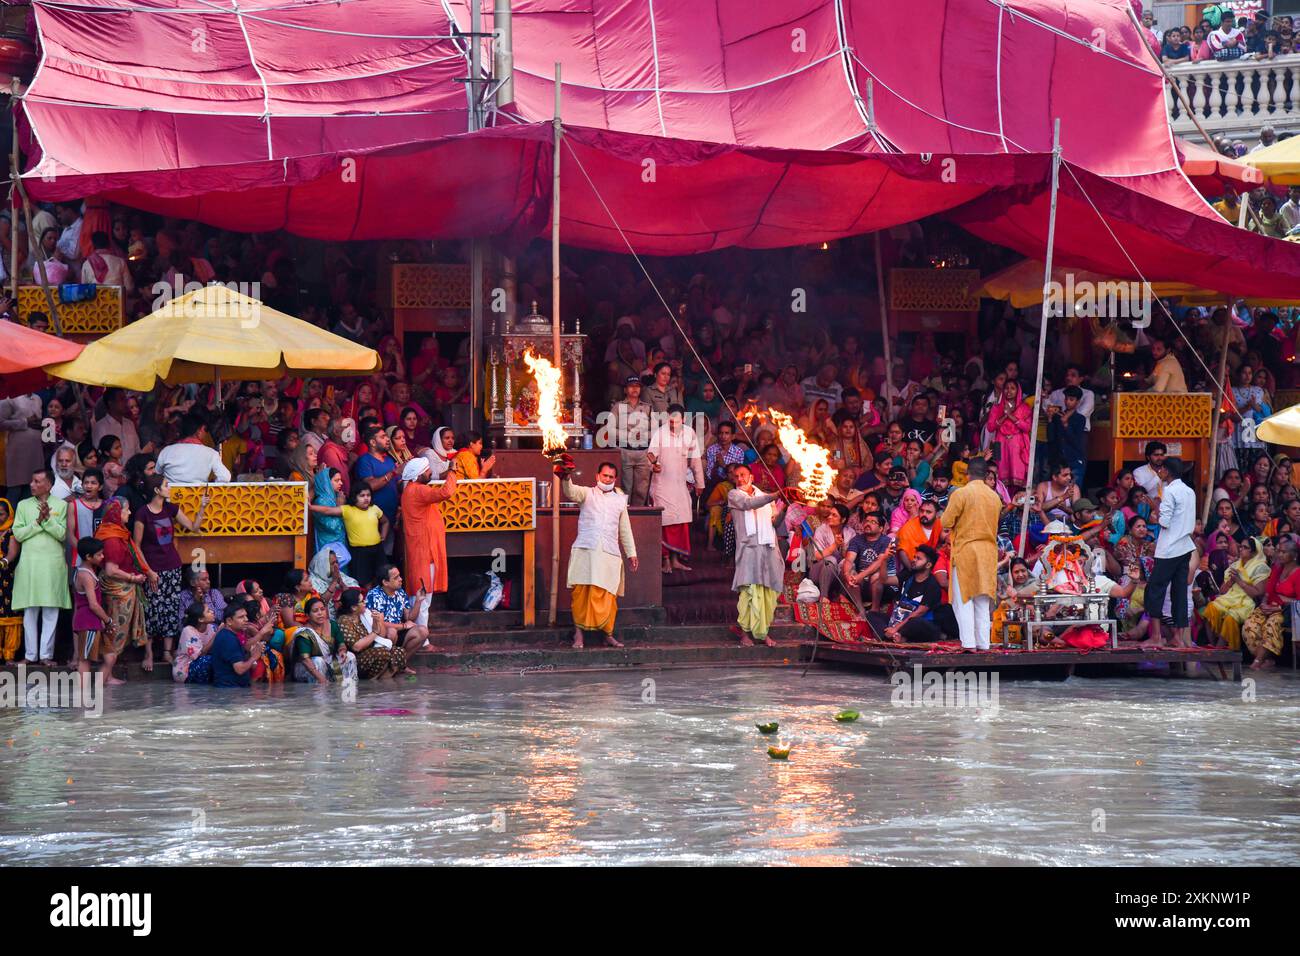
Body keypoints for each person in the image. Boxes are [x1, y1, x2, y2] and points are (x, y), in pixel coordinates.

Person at [557, 458, 638, 648]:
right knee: (581, 595)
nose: (608, 479)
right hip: (585, 551)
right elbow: (570, 491)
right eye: (605, 476)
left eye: (611, 477)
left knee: (608, 596)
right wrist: (566, 476)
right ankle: (579, 635)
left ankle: (608, 635)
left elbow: (625, 529)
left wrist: (631, 553)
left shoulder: (619, 500)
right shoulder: (587, 494)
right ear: (597, 476)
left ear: (615, 479)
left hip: (609, 554)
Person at [134, 474, 207, 669]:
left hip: (172, 566)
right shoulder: (143, 513)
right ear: (157, 491)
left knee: (170, 607)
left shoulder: (170, 508)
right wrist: (148, 571)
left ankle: (167, 651)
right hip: (153, 569)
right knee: (151, 609)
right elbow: (136, 545)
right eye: (166, 485)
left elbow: (193, 527)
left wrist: (202, 507)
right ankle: (149, 653)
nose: (170, 488)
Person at [942, 456, 1001, 651]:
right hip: (988, 553)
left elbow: (945, 522)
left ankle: (968, 643)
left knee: (964, 599)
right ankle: (983, 644)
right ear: (986, 475)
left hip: (967, 550)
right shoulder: (995, 497)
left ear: (967, 474)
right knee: (982, 601)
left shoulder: (962, 493)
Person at [12, 468, 69, 665]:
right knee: (30, 610)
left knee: (51, 610)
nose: (32, 484)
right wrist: (38, 521)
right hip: (29, 564)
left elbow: (62, 534)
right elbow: (18, 534)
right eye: (32, 481)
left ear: (49, 485)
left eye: (37, 481)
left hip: (52, 564)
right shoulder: (23, 505)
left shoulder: (61, 505)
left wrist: (48, 520)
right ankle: (29, 655)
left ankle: (46, 655)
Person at [727, 463, 785, 645]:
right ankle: (744, 633)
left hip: (768, 548)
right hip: (749, 549)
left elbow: (775, 523)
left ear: (751, 476)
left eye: (743, 475)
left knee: (769, 593)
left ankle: (763, 632)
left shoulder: (765, 497)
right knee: (749, 592)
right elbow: (748, 504)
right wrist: (776, 495)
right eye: (736, 477)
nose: (740, 479)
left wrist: (785, 507)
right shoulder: (734, 495)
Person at [1142, 456, 1196, 649]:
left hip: (1169, 549)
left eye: (1161, 469)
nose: (1159, 472)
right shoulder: (1189, 491)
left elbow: (1164, 522)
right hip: (1185, 547)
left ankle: (1156, 636)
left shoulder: (1169, 491)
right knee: (1179, 592)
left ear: (1166, 470)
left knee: (1154, 591)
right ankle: (1178, 638)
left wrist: (1156, 512)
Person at [647, 405, 704, 574]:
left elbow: (695, 460)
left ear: (683, 419)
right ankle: (665, 561)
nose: (673, 425)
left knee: (680, 522)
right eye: (670, 421)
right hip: (662, 486)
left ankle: (675, 560)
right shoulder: (660, 433)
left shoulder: (690, 433)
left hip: (680, 486)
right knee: (665, 523)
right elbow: (650, 455)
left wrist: (700, 483)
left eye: (676, 421)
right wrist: (653, 465)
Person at [93, 497, 149, 662]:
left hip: (120, 589)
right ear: (117, 513)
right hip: (118, 590)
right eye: (127, 509)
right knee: (115, 629)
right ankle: (107, 674)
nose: (130, 512)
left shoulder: (114, 532)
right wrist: (133, 578)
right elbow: (111, 570)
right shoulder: (112, 539)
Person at [400, 456, 458, 594]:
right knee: (423, 596)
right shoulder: (419, 490)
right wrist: (452, 471)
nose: (430, 472)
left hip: (421, 545)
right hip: (424, 548)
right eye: (427, 470)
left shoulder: (411, 489)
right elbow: (447, 492)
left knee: (423, 596)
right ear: (419, 475)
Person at [1242, 536, 1300, 670]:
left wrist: (1278, 606)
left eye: (1284, 552)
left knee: (1271, 625)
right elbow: (1268, 592)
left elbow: (1298, 601)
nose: (1279, 554)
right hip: (1269, 606)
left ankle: (1257, 661)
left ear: (1294, 555)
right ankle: (1267, 659)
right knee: (1250, 625)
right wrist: (1263, 604)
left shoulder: (1298, 573)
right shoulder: (1276, 569)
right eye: (1278, 551)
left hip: (1286, 611)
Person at [1201, 535, 1268, 651]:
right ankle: (1213, 645)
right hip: (1230, 598)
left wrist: (1240, 581)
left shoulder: (1260, 567)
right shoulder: (1235, 565)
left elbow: (1258, 593)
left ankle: (1218, 650)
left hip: (1247, 601)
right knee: (1211, 608)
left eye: (1245, 547)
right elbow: (1222, 591)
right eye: (1240, 546)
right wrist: (1231, 581)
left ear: (1253, 551)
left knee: (1231, 616)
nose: (1241, 549)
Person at [872, 545, 945, 643]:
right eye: (914, 557)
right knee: (872, 615)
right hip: (900, 620)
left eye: (918, 559)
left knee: (915, 622)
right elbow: (884, 580)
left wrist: (896, 628)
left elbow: (919, 613)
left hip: (921, 624)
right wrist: (884, 560)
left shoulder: (932, 585)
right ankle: (895, 636)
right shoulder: (908, 575)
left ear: (928, 565)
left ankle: (896, 636)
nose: (914, 560)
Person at [365, 564, 430, 672]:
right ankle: (385, 668)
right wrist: (403, 626)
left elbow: (409, 617)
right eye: (396, 578)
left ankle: (399, 665)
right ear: (385, 582)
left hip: (398, 631)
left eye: (399, 576)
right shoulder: (374, 595)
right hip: (381, 635)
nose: (401, 579)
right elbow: (378, 622)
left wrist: (418, 601)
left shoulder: (400, 592)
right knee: (391, 632)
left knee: (423, 631)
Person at [71, 537, 115, 686]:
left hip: (94, 622)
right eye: (99, 555)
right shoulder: (85, 575)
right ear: (88, 557)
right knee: (84, 660)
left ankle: (97, 689)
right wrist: (108, 620)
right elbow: (93, 605)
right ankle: (82, 695)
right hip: (88, 622)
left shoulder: (87, 570)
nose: (102, 557)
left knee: (110, 656)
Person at [334, 587, 404, 679]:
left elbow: (382, 635)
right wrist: (374, 632)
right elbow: (357, 647)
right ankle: (371, 681)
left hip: (372, 650)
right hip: (356, 659)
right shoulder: (344, 621)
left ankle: (384, 679)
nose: (365, 603)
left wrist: (377, 621)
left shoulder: (364, 613)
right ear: (354, 607)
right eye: (362, 601)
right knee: (382, 653)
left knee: (398, 652)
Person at [352, 425, 399, 547]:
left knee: (388, 555)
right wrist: (393, 473)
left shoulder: (389, 460)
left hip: (392, 516)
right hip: (373, 518)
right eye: (383, 437)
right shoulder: (365, 460)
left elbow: (397, 485)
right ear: (372, 442)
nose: (388, 439)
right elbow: (369, 486)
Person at [156, 412, 231, 483]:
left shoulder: (167, 451)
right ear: (201, 430)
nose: (206, 434)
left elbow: (157, 473)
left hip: (171, 496)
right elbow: (225, 477)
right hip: (198, 496)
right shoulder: (211, 453)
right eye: (205, 430)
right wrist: (209, 488)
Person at [985, 380, 1032, 488]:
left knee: (1018, 476)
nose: (1009, 391)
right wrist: (1004, 415)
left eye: (1012, 388)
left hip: (1018, 445)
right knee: (1000, 474)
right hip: (1000, 443)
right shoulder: (996, 408)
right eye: (1006, 388)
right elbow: (990, 427)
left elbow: (1027, 427)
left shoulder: (1024, 408)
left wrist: (1010, 415)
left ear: (1018, 391)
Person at [210, 603, 268, 688]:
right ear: (229, 621)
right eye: (241, 617)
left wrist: (251, 655)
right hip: (230, 692)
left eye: (246, 616)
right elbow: (240, 669)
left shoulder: (229, 635)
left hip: (233, 690)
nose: (246, 619)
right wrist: (254, 657)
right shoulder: (228, 639)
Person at [341, 484, 387, 587]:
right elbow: (327, 510)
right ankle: (367, 602)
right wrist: (311, 507)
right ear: (354, 497)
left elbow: (385, 521)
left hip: (377, 549)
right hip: (359, 552)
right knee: (365, 582)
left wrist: (383, 535)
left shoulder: (374, 508)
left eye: (368, 495)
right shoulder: (348, 509)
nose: (366, 498)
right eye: (362, 495)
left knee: (383, 578)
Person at [174, 601, 215, 684]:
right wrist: (217, 635)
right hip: (185, 670)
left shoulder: (211, 627)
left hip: (200, 665)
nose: (212, 612)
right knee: (208, 660)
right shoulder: (188, 630)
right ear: (200, 619)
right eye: (208, 611)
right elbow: (201, 654)